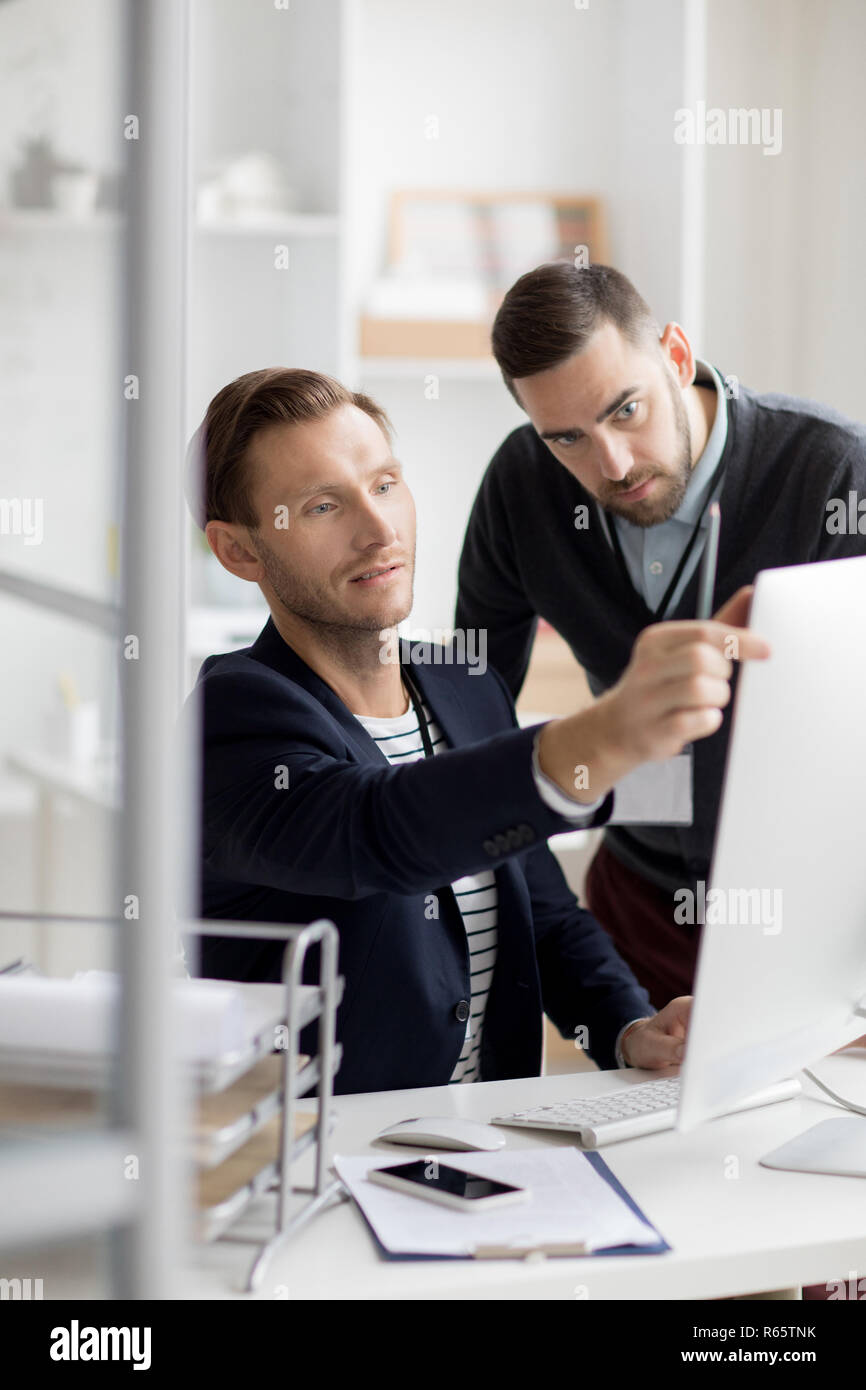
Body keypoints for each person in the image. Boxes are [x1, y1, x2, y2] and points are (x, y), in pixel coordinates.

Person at [181, 367, 768, 1094]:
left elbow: (544, 912)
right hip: (314, 1164)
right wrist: (607, 732)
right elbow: (384, 828)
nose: (378, 529)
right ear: (239, 551)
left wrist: (628, 1028)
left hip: (481, 1150)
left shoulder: (462, 684)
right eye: (324, 505)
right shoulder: (234, 719)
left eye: (387, 484)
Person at [457, 261, 866, 1009]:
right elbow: (468, 710)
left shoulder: (835, 473)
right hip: (637, 906)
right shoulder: (522, 485)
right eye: (566, 439)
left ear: (676, 356)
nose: (610, 464)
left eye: (626, 411)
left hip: (816, 920)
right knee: (627, 1126)